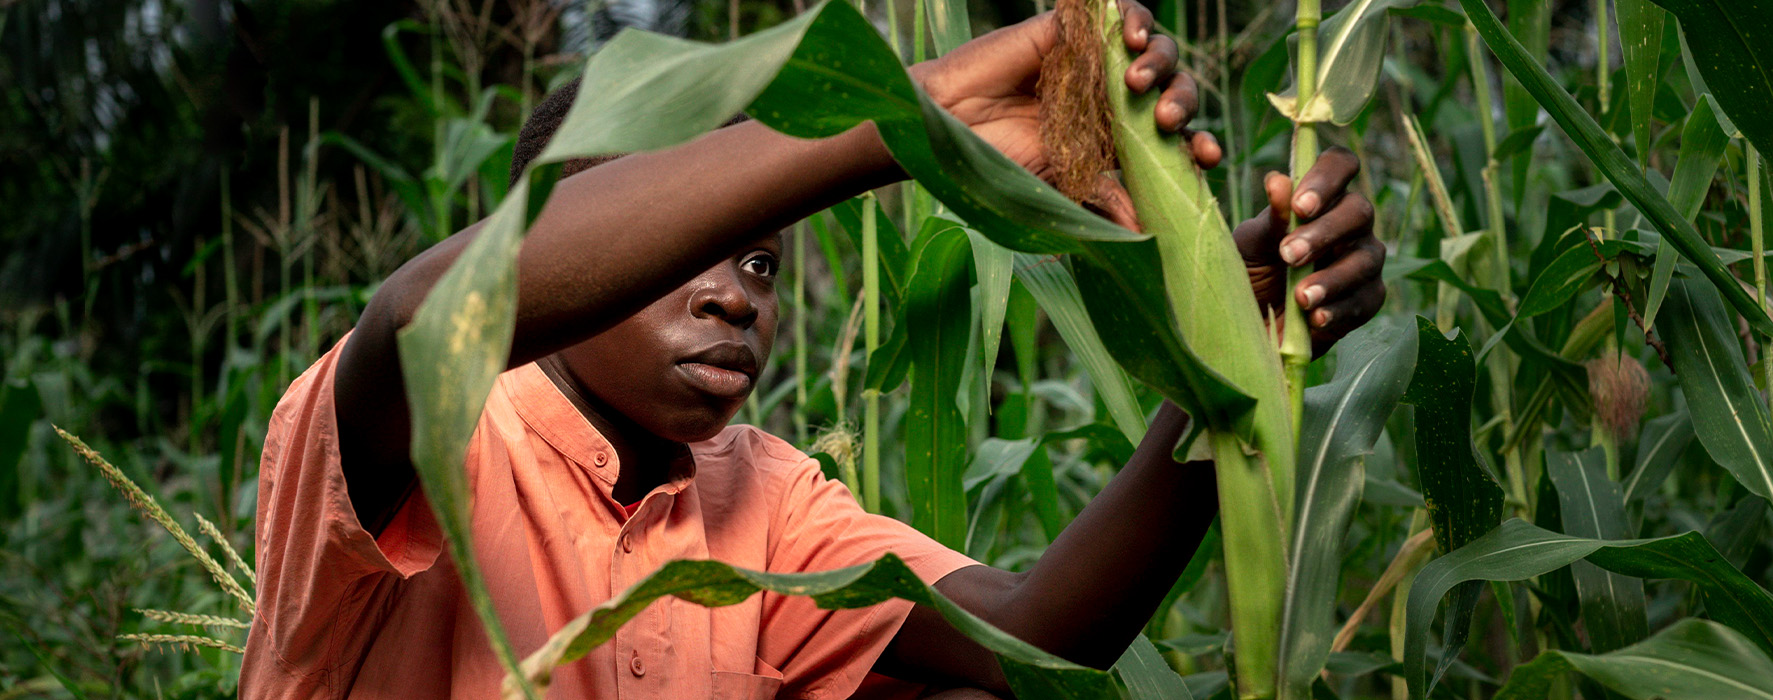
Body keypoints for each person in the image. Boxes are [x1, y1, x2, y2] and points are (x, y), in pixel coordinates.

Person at [237, 3, 1386, 698]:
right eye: (681, 254)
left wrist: (1231, 351)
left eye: (761, 263)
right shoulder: (436, 432)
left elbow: (1034, 636)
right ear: (560, 235)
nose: (734, 297)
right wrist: (905, 118)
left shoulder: (763, 501)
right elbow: (425, 321)